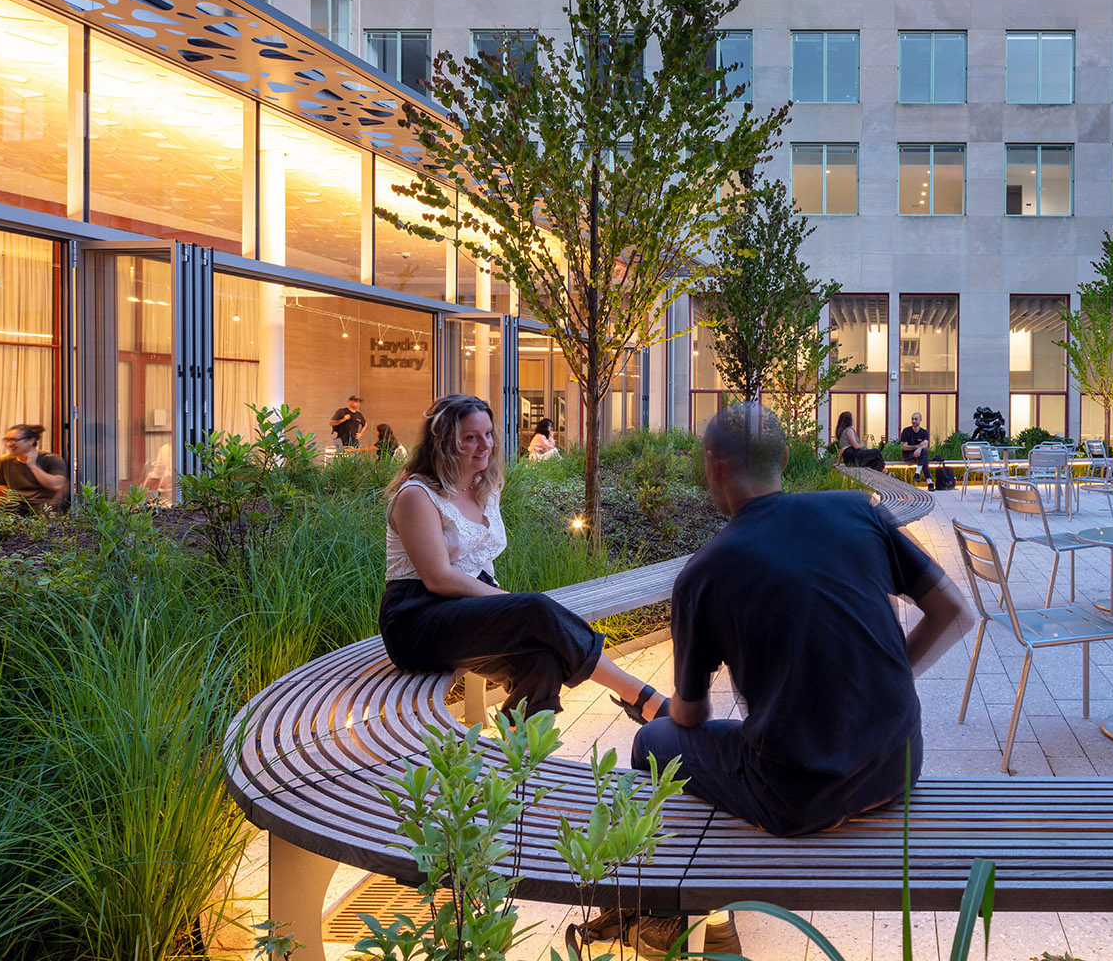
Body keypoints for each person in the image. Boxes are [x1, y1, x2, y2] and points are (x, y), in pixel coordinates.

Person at [625, 402, 969, 953]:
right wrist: (879, 677)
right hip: (900, 765)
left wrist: (655, 707)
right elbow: (956, 611)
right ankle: (700, 916)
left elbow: (691, 718)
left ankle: (675, 916)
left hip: (796, 797)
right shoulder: (858, 511)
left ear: (713, 465)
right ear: (785, 457)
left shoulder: (704, 573)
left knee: (650, 744)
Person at [379, 393, 668, 724]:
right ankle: (641, 696)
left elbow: (475, 567)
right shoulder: (417, 496)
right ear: (443, 442)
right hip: (417, 620)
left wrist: (508, 608)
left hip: (462, 615)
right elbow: (439, 578)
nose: (484, 444)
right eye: (470, 437)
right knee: (534, 608)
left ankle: (524, 758)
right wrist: (511, 604)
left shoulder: (482, 487)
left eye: (487, 434)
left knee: (542, 660)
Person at [0, 424, 67, 519]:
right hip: (18, 506)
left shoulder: (51, 459)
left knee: (44, 518)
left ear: (31, 440)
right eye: (6, 440)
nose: (9, 444)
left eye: (14, 440)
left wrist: (33, 466)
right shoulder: (2, 461)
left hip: (44, 506)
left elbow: (57, 485)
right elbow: (0, 489)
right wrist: (2, 513)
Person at [899, 412, 931, 481]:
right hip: (908, 456)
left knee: (923, 454)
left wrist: (920, 448)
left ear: (920, 420)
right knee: (924, 455)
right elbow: (905, 447)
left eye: (916, 419)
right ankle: (927, 480)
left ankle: (921, 476)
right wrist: (918, 446)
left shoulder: (924, 432)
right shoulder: (906, 431)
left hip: (919, 456)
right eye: (912, 419)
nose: (914, 421)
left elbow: (926, 444)